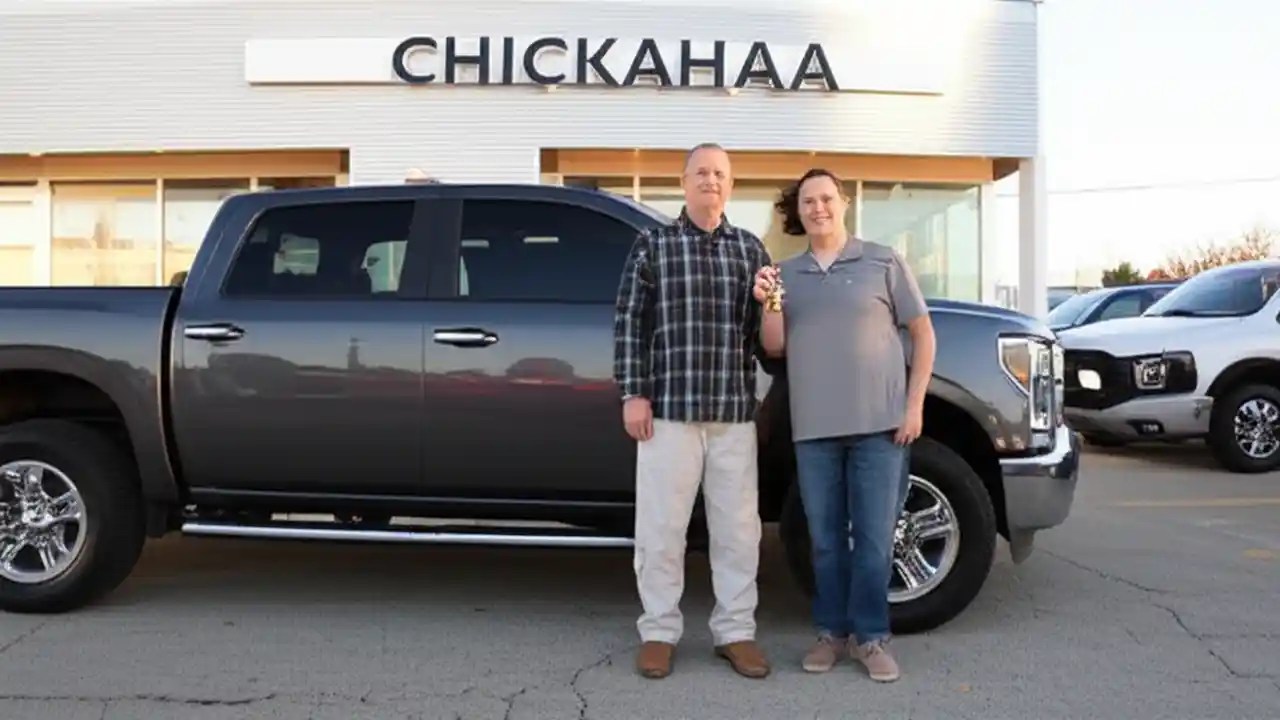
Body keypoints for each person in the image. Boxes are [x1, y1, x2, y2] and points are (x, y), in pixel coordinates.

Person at [754, 168, 936, 682]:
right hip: (813, 430)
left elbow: (923, 336)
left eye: (827, 198)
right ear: (799, 212)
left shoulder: (881, 261)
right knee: (826, 541)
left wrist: (915, 404)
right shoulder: (785, 274)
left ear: (843, 204)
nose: (819, 208)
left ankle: (871, 639)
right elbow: (774, 346)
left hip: (881, 426)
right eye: (809, 201)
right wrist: (767, 297)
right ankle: (831, 635)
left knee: (876, 539)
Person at [613, 142, 773, 681]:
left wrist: (768, 303)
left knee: (738, 531)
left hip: (732, 414)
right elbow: (630, 322)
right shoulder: (652, 245)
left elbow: (764, 339)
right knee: (661, 528)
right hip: (669, 414)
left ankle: (736, 632)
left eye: (720, 173)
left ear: (731, 186)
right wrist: (633, 392)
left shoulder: (752, 251)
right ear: (683, 183)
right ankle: (658, 631)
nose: (711, 180)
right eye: (701, 172)